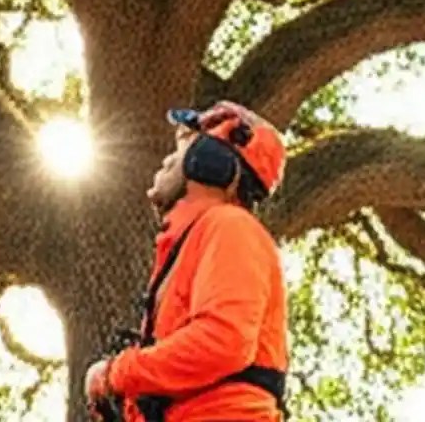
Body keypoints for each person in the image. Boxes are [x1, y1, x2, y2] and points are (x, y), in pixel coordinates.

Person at [84, 100, 290, 421]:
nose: (166, 159)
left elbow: (224, 341)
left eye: (182, 149)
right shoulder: (191, 244)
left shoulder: (230, 226)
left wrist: (117, 373)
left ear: (211, 163)